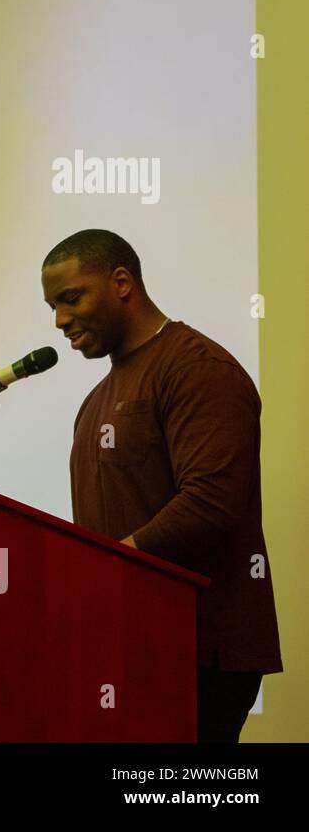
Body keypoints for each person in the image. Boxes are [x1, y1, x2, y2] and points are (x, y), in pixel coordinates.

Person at [40, 229, 281, 742]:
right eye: (53, 306)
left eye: (71, 297)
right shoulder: (96, 400)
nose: (60, 320)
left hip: (196, 652)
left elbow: (211, 503)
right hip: (126, 644)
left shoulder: (197, 369)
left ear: (121, 283)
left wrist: (111, 567)